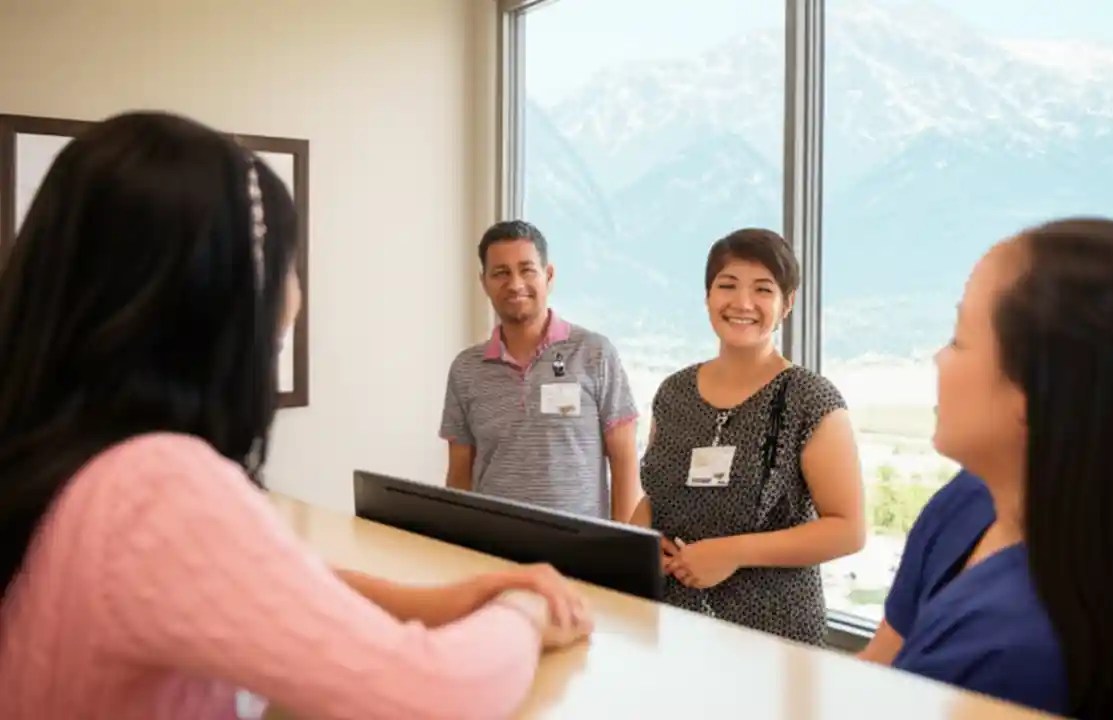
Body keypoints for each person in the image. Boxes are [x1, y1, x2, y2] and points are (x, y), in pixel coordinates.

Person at [0, 112, 593, 720]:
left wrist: (456, 597)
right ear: (221, 293)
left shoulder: (73, 460)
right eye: (288, 267)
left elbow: (262, 584)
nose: (294, 297)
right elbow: (429, 692)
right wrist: (523, 614)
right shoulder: (156, 485)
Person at [858, 218, 1113, 717]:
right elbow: (878, 669)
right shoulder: (966, 503)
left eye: (960, 338)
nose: (938, 358)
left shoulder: (1009, 650)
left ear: (1038, 391)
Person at [630, 228, 865, 645]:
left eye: (763, 289)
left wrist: (732, 552)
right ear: (707, 297)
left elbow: (848, 529)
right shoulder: (673, 393)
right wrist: (642, 539)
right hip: (672, 622)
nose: (742, 303)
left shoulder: (810, 398)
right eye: (727, 286)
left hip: (772, 632)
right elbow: (657, 495)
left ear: (786, 304)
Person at [440, 220, 641, 521]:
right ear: (484, 282)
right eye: (501, 273)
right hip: (492, 548)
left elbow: (624, 462)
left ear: (548, 276)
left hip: (580, 552)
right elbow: (459, 475)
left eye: (527, 270)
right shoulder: (466, 369)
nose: (515, 284)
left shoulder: (594, 353)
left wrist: (624, 553)